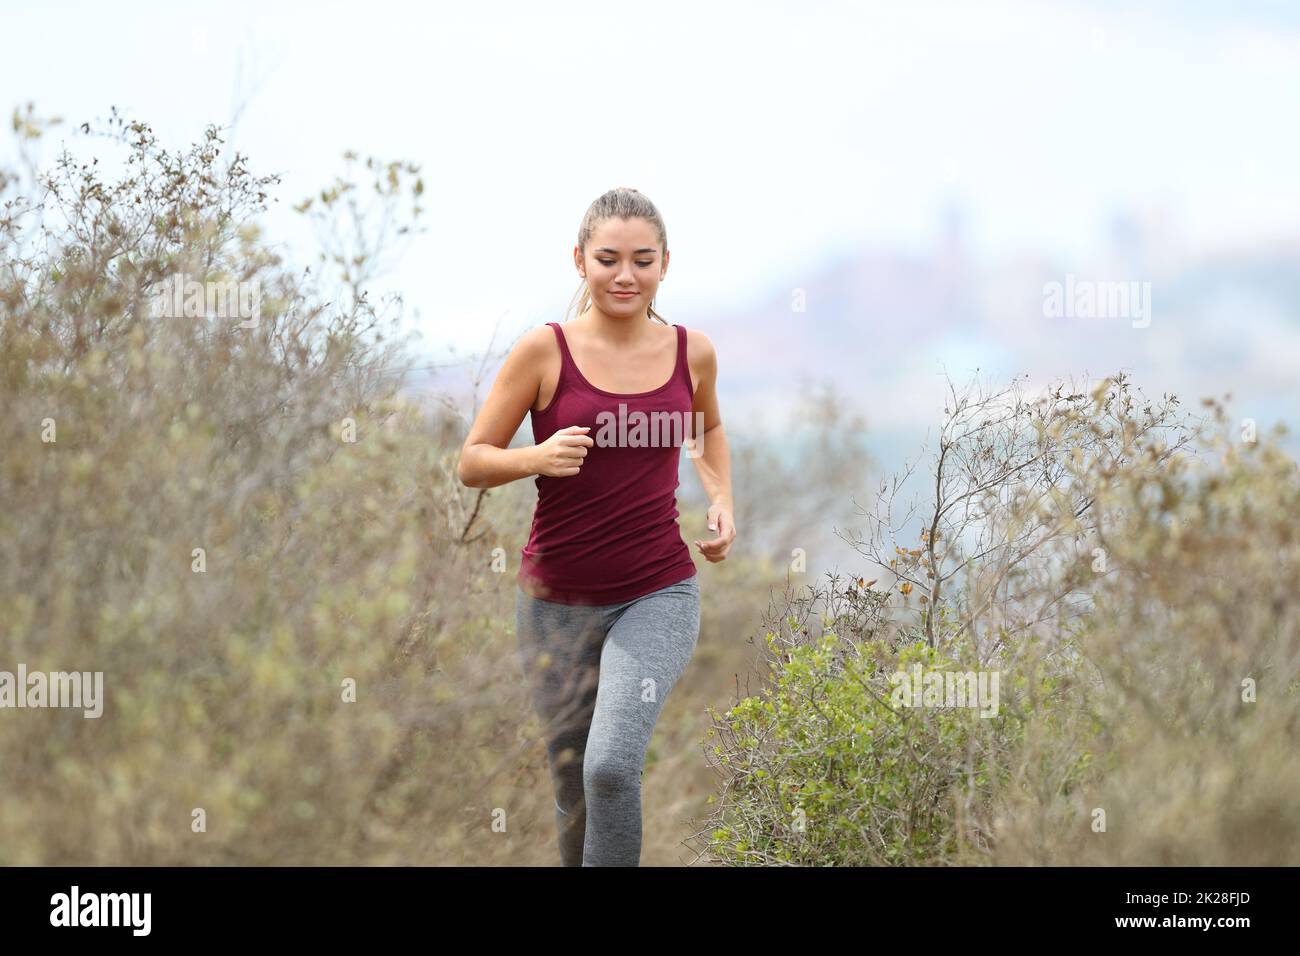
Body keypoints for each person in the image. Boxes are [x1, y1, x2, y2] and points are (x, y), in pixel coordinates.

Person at [457, 187, 736, 865]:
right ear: (579, 260)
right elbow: (472, 461)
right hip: (554, 604)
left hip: (657, 591)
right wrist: (537, 457)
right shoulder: (543, 352)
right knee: (572, 784)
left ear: (665, 264)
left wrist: (722, 497)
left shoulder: (690, 351)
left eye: (642, 260)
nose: (625, 275)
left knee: (609, 768)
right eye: (608, 258)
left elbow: (708, 426)